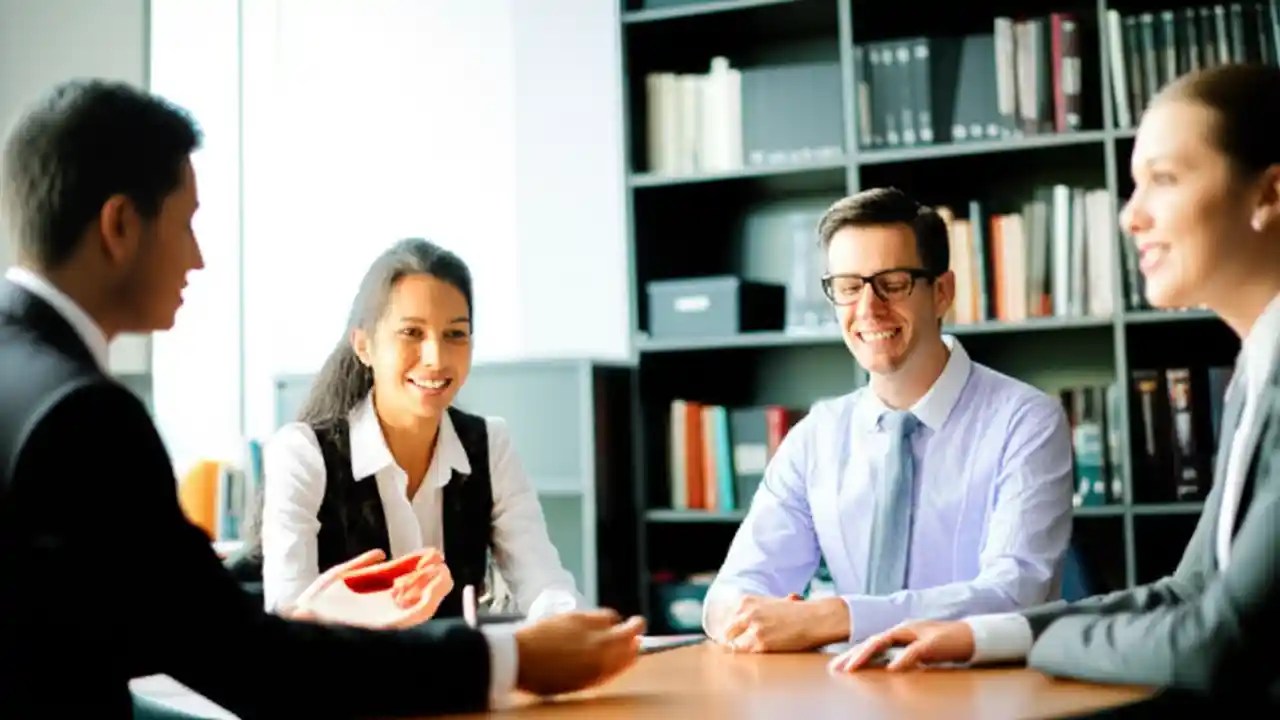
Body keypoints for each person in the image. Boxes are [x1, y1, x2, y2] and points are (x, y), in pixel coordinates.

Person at [0, 78, 643, 718]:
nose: (196, 258)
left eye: (456, 335)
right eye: (187, 223)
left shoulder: (30, 382)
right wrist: (516, 661)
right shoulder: (82, 417)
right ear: (119, 225)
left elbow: (141, 629)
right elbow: (242, 658)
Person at [829, 63, 1280, 712]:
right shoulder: (1255, 377)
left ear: (1268, 194)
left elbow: (1219, 643)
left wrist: (1037, 645)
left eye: (1164, 180)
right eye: (1133, 186)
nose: (1130, 217)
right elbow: (1191, 591)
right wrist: (980, 637)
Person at [701, 187, 1076, 652]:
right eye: (848, 286)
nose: (868, 308)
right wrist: (744, 617)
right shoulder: (815, 437)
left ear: (942, 292)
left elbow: (1015, 595)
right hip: (843, 692)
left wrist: (839, 616)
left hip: (977, 691)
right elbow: (733, 593)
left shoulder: (1026, 423)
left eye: (892, 283)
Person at [251, 236, 583, 622]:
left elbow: (542, 582)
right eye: (412, 333)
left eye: (455, 334)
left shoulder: (489, 445)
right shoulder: (303, 453)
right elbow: (288, 618)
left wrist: (576, 627)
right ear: (364, 345)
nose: (436, 358)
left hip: (453, 678)